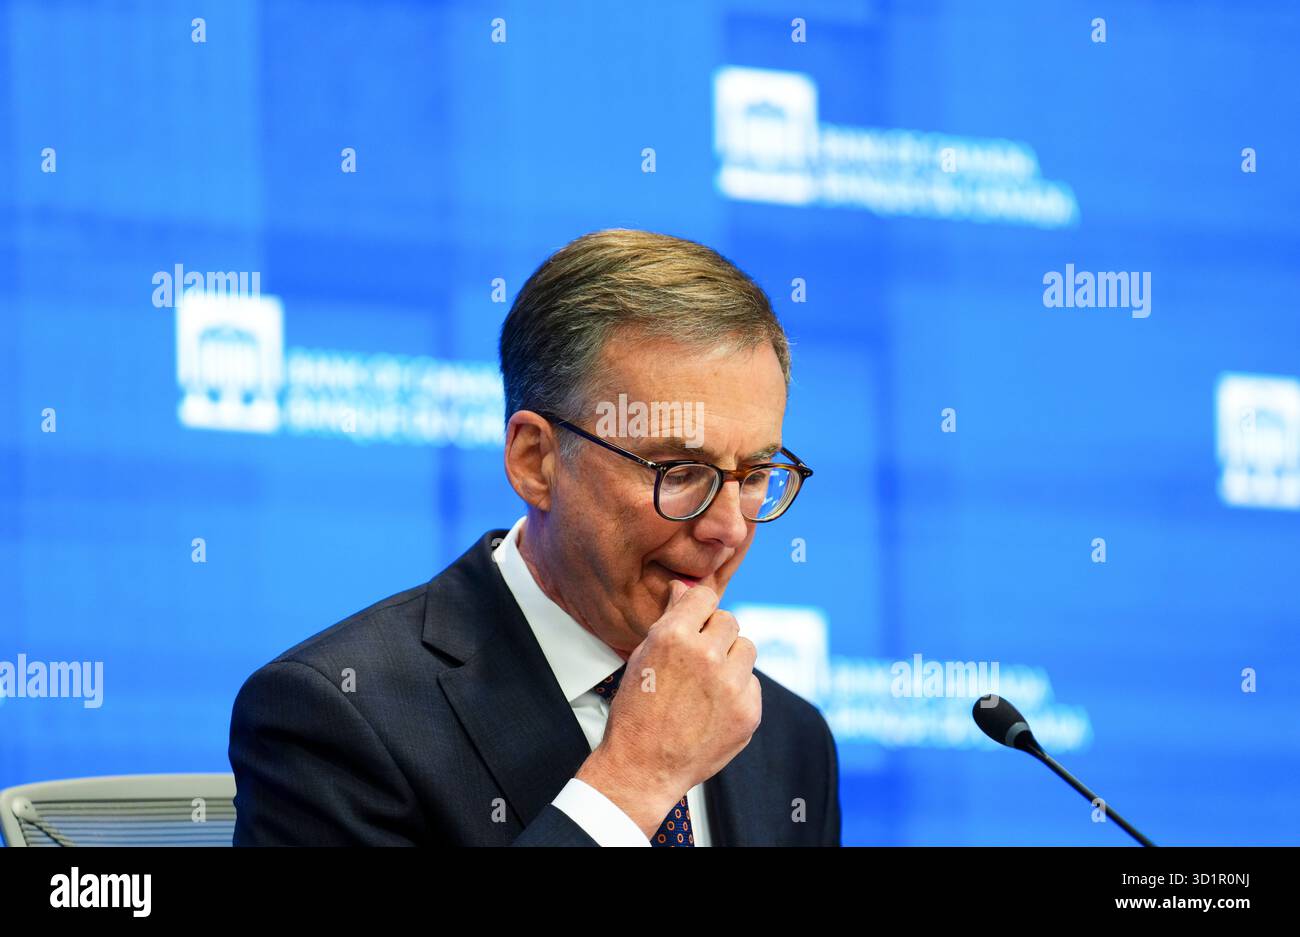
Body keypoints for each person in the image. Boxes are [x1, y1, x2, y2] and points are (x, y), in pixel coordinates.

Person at [228, 228, 840, 846]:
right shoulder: (336, 717)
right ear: (535, 460)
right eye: (679, 473)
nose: (727, 527)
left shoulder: (787, 738)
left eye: (756, 475)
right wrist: (635, 781)